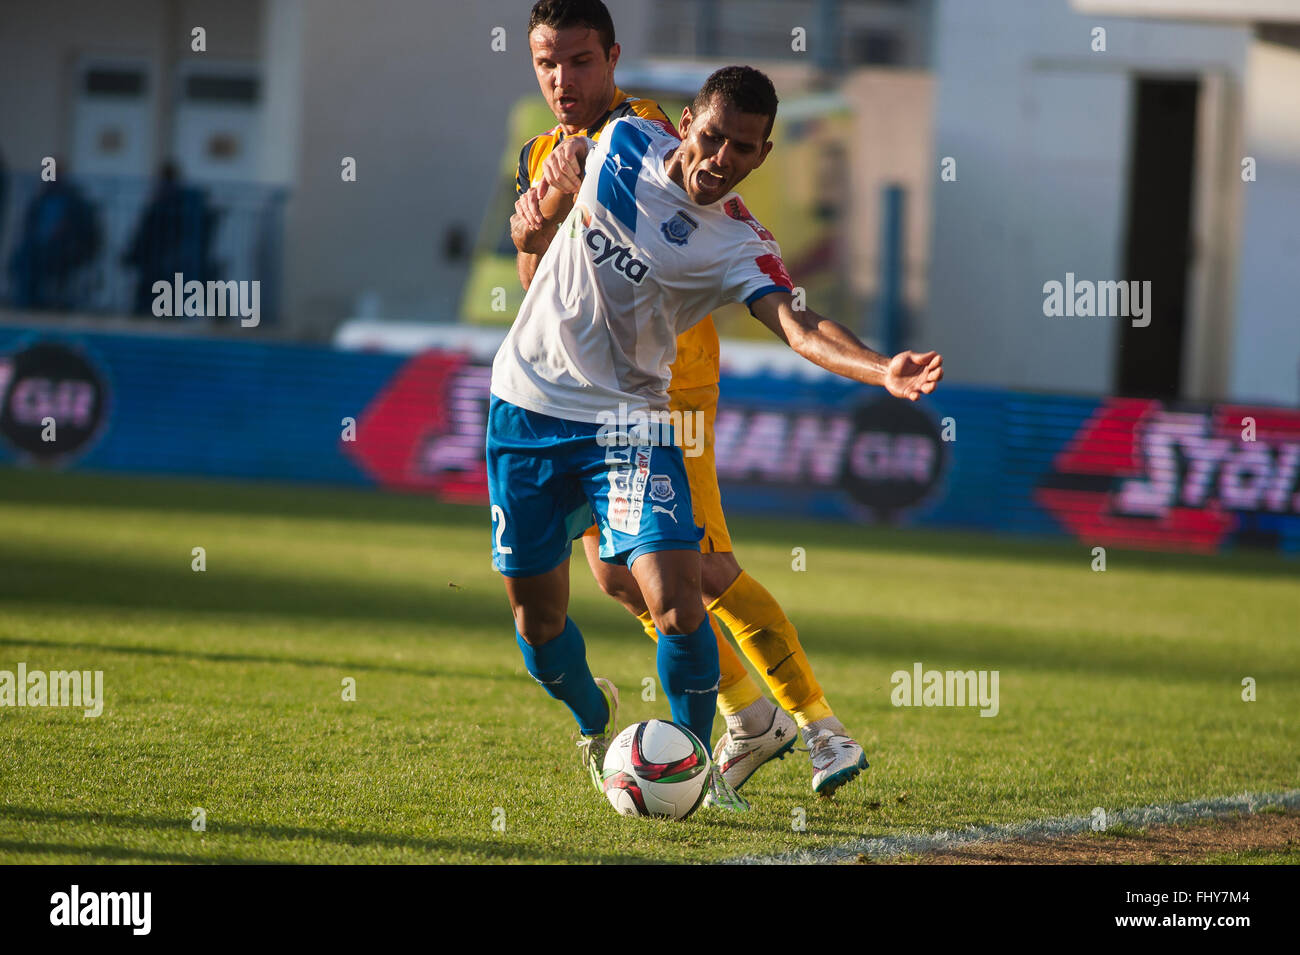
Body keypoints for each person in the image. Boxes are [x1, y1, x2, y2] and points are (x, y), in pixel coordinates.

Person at [490, 61, 943, 814]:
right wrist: (546, 197)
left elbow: (799, 324)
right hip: (528, 407)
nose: (720, 159)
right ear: (685, 124)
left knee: (678, 597)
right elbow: (539, 209)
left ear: (763, 155)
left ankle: (693, 763)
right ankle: (594, 723)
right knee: (540, 624)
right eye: (712, 137)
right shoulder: (624, 140)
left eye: (742, 148)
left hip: (631, 424)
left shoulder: (739, 243)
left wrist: (879, 368)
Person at [123, 160, 218, 316]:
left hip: (162, 264)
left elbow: (148, 234)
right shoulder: (188, 203)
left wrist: (134, 255)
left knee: (154, 299)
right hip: (174, 263)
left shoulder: (166, 204)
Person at [8, 164, 101, 311]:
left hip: (66, 248)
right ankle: (27, 299)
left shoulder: (74, 200)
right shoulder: (41, 198)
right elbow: (30, 225)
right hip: (39, 247)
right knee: (23, 258)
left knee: (45, 257)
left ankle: (43, 299)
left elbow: (85, 230)